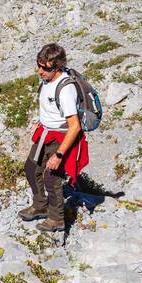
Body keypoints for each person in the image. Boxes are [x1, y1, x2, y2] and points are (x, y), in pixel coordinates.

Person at [20, 43, 89, 232]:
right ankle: (40, 205)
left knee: (52, 177)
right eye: (38, 65)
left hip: (61, 136)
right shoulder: (47, 79)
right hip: (46, 131)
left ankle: (56, 219)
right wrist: (42, 120)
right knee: (31, 168)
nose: (39, 71)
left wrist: (59, 155)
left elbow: (74, 127)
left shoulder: (66, 89)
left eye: (45, 68)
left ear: (57, 66)